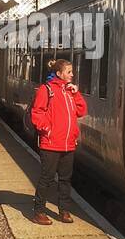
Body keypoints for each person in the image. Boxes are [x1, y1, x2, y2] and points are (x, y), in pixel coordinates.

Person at [29, 58, 87, 225]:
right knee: (46, 178)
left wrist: (76, 93)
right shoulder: (46, 90)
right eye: (69, 72)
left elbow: (81, 111)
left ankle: (64, 211)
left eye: (71, 71)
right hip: (51, 143)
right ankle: (38, 212)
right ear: (59, 73)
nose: (72, 74)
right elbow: (37, 113)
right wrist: (47, 130)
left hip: (68, 143)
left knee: (65, 179)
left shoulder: (70, 91)